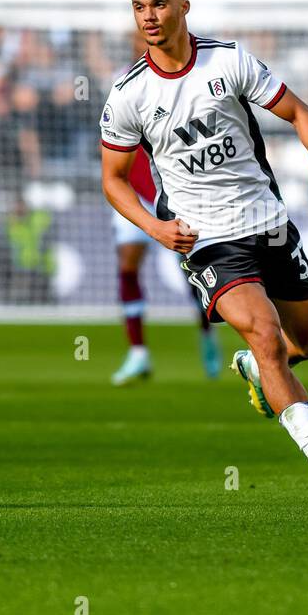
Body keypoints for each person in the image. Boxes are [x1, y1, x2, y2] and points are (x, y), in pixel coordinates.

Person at [99, 0, 308, 506]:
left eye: (160, 3)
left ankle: (256, 370)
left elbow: (300, 114)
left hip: (268, 222)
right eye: (139, 6)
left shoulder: (229, 61)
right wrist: (155, 227)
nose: (149, 15)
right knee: (265, 335)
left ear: (184, 7)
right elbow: (114, 180)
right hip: (207, 238)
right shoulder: (128, 95)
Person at [109, 33, 222, 386]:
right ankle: (138, 352)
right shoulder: (125, 87)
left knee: (192, 270)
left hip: (175, 194)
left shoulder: (183, 83)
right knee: (127, 265)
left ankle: (206, 333)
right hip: (136, 193)